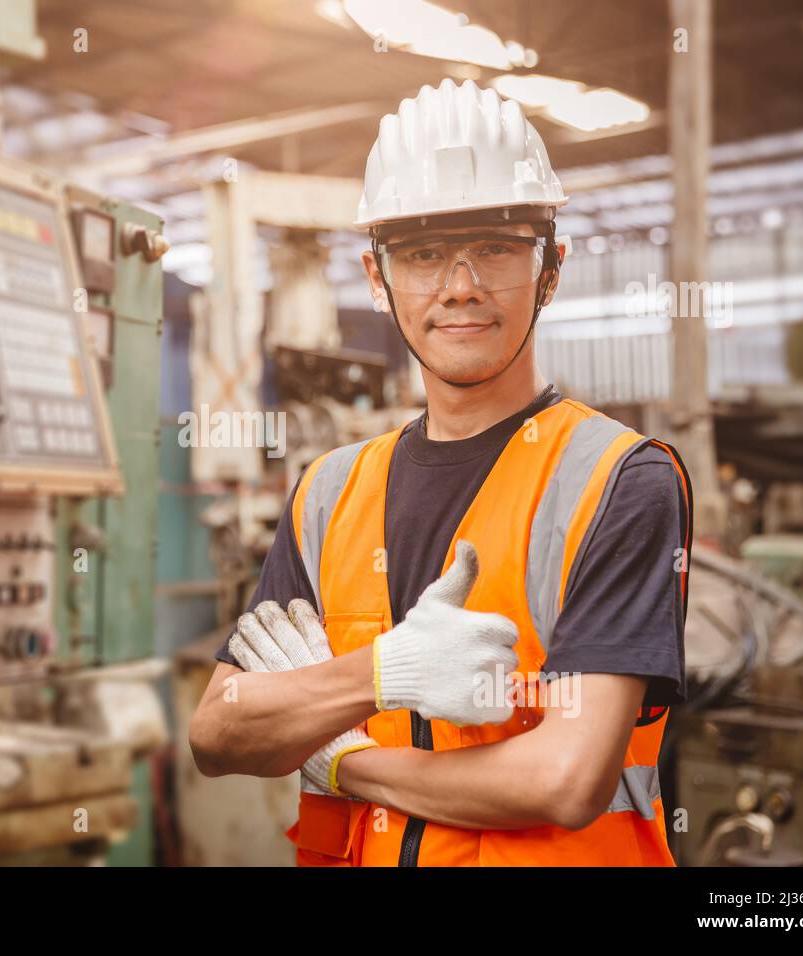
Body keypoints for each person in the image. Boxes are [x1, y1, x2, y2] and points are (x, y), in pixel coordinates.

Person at [187, 78, 693, 867]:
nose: (460, 285)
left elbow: (568, 776)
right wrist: (385, 671)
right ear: (375, 278)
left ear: (551, 267)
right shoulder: (329, 492)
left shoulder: (619, 481)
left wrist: (345, 759)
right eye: (422, 254)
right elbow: (217, 734)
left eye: (495, 246)